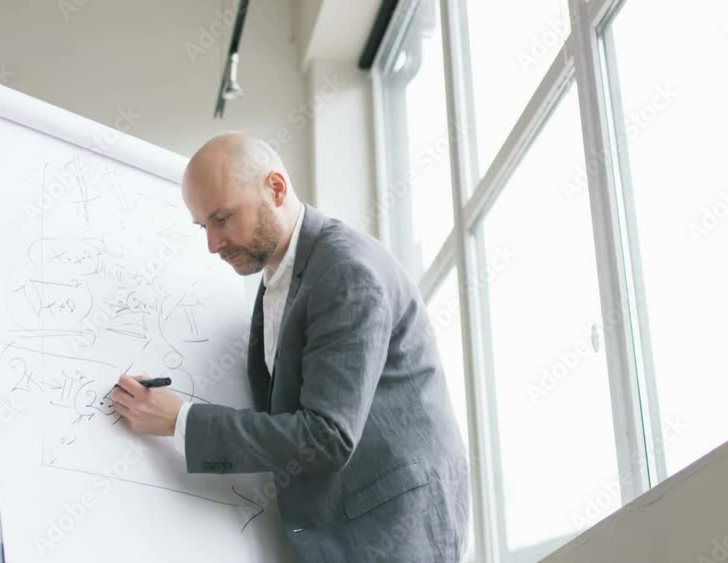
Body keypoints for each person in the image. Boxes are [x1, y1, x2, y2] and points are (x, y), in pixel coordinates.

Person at [112, 132, 469, 562]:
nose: (212, 244)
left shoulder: (346, 272)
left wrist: (180, 420)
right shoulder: (279, 279)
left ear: (276, 189)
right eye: (203, 226)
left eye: (223, 219)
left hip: (394, 536)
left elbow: (326, 436)